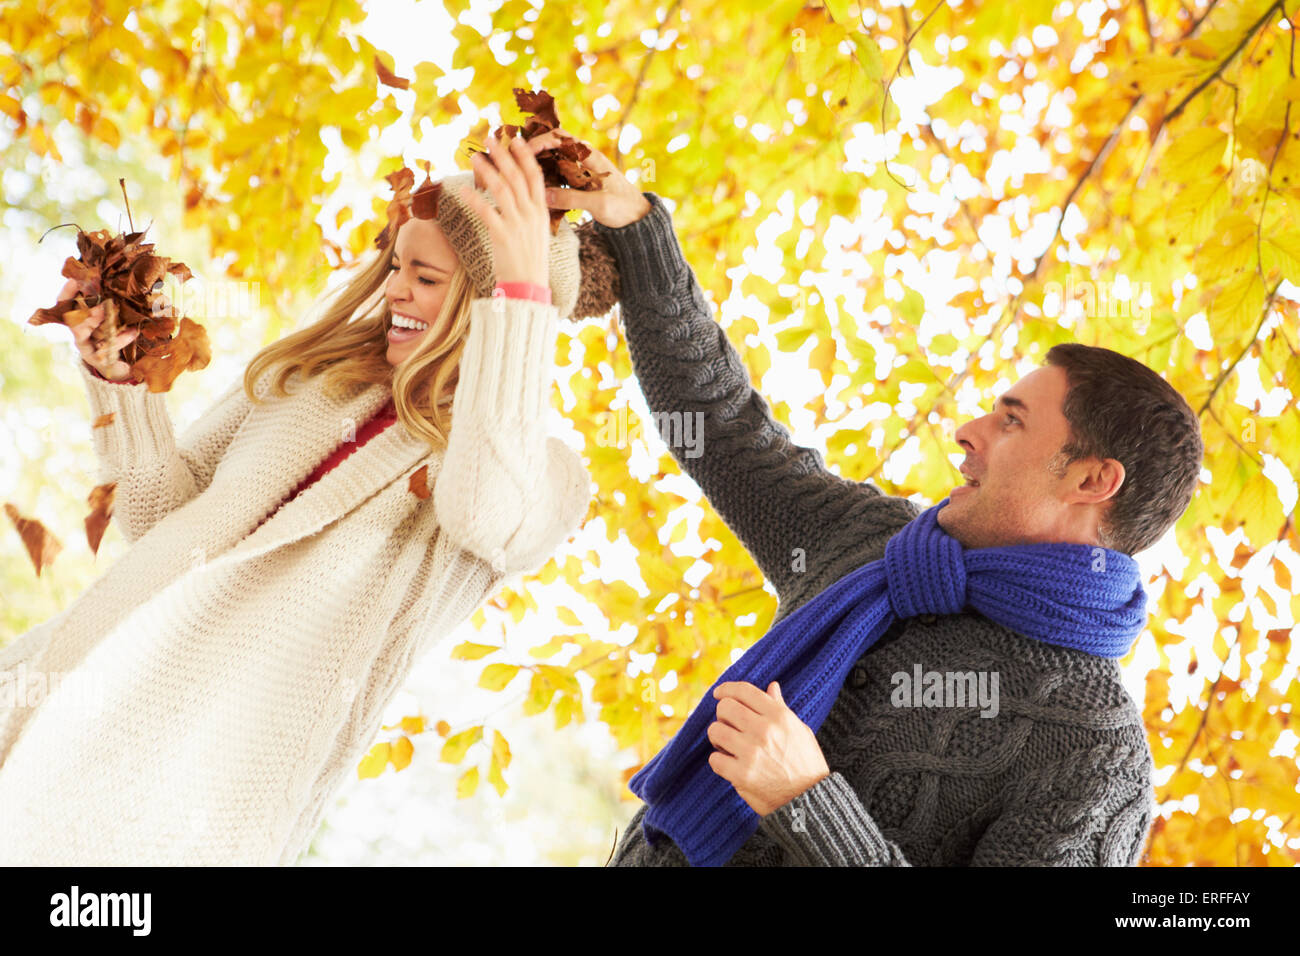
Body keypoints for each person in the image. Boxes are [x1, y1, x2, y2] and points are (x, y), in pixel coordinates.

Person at [538, 128, 1203, 866]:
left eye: (1010, 421)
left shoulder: (1098, 756)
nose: (966, 431)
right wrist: (636, 230)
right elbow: (717, 426)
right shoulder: (868, 539)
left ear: (1091, 481)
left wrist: (807, 802)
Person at [0, 130, 615, 865]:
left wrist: (523, 297)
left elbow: (485, 508)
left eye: (424, 277)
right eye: (394, 265)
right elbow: (157, 519)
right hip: (58, 684)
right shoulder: (310, 374)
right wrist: (120, 378)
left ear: (488, 302)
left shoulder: (540, 474)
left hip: (184, 802)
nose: (393, 290)